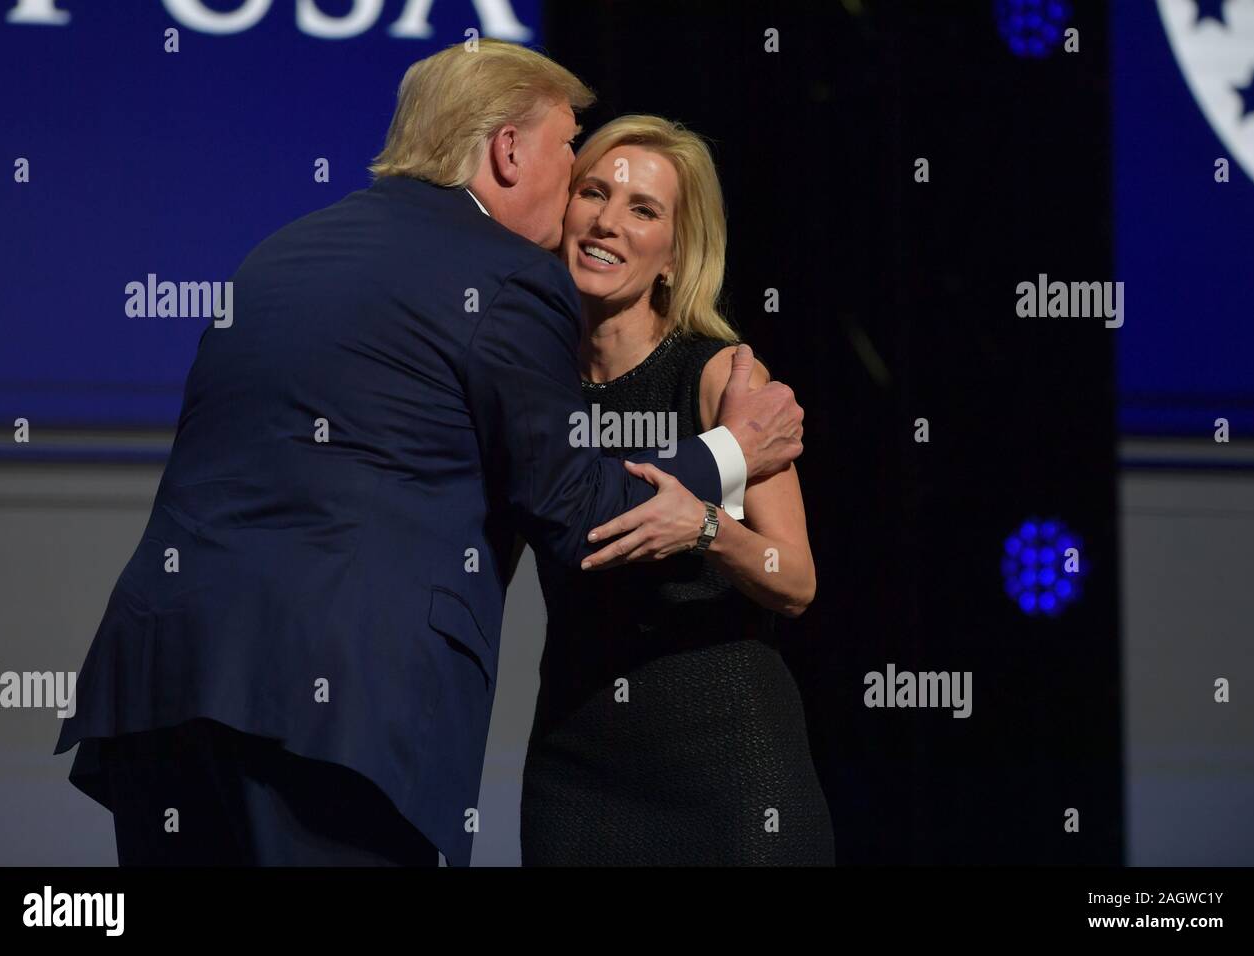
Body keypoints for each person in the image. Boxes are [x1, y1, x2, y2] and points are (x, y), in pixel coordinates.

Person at [52, 40, 806, 868]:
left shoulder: (282, 252)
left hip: (158, 686)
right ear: (509, 151)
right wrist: (732, 449)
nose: (580, 207)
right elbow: (576, 508)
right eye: (572, 158)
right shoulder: (509, 278)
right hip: (331, 716)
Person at [520, 116, 834, 865]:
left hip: (730, 767)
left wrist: (706, 528)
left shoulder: (723, 376)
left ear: (673, 255)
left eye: (642, 210)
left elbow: (794, 581)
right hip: (575, 766)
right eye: (593, 192)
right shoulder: (527, 380)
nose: (606, 221)